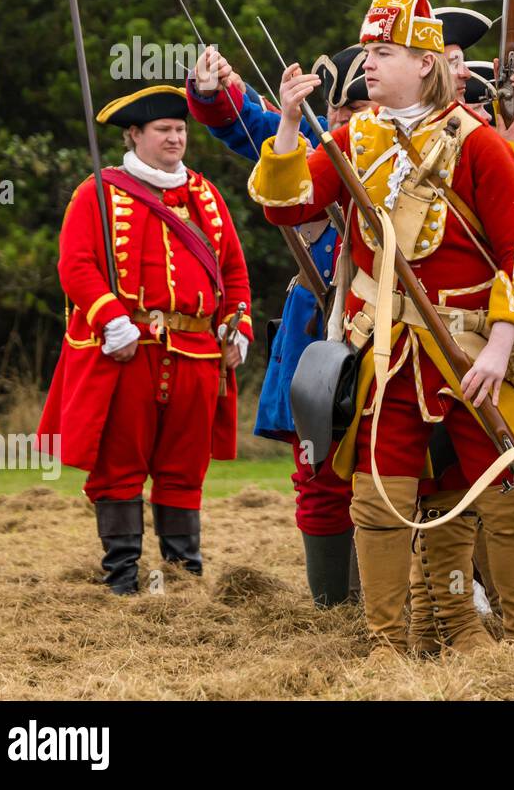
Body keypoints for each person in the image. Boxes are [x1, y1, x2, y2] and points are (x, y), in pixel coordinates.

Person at [248, 0, 514, 656]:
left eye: (382, 51)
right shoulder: (352, 137)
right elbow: (286, 205)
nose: (367, 64)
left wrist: (499, 348)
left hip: (470, 347)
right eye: (369, 51)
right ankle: (385, 644)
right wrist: (288, 125)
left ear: (424, 61)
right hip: (385, 352)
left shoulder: (476, 141)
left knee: (503, 498)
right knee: (379, 499)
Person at [37, 86, 252, 594]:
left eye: (181, 130)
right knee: (120, 465)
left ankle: (184, 578)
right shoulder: (97, 192)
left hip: (197, 353)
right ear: (134, 135)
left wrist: (237, 326)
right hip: (131, 349)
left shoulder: (205, 194)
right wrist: (111, 318)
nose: (176, 138)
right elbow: (76, 264)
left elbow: (234, 273)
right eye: (164, 130)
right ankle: (122, 579)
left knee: (183, 467)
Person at [185, 43, 370, 606]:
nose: (342, 123)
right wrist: (217, 91)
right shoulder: (318, 146)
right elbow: (251, 126)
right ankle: (335, 608)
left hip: (399, 328)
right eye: (337, 113)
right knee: (318, 475)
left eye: (353, 113)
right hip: (321, 332)